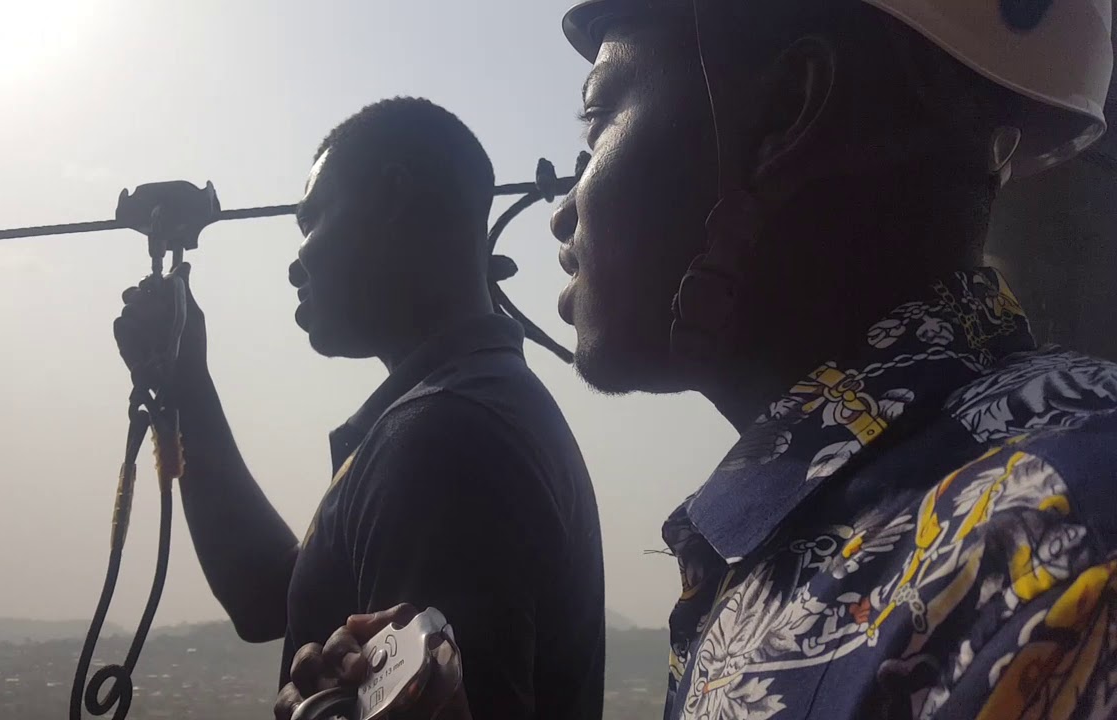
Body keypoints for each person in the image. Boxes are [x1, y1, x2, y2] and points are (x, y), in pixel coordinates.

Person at [283, 1, 1117, 718]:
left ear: (787, 109)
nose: (562, 209)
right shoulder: (835, 535)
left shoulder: (1055, 558)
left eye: (596, 116)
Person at [113, 97, 605, 720]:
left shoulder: (440, 439)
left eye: (313, 219)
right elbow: (269, 601)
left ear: (390, 200)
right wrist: (187, 382)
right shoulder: (475, 408)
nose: (298, 262)